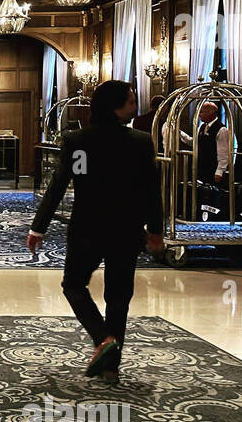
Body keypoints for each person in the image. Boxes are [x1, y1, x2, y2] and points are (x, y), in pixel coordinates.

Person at [27, 80, 164, 381]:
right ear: (116, 107)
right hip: (126, 229)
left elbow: (59, 184)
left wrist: (39, 228)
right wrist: (155, 230)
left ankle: (103, 339)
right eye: (130, 102)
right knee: (118, 297)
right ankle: (111, 367)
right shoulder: (140, 142)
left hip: (87, 226)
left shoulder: (78, 140)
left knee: (74, 285)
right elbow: (152, 191)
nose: (134, 107)